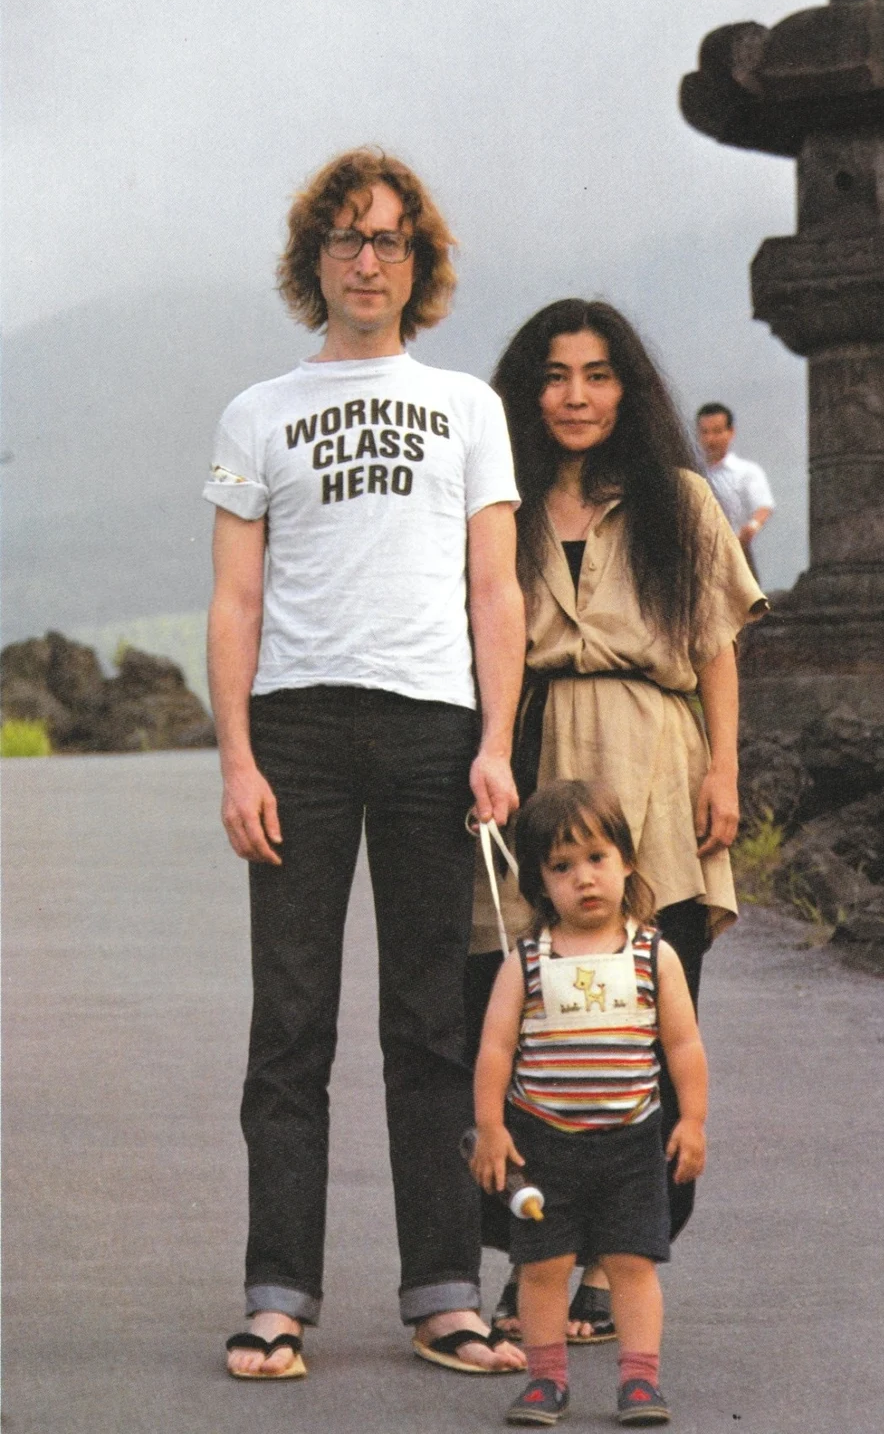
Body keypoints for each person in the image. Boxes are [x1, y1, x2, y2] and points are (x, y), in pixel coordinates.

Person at [205, 148, 527, 1378]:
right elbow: (235, 603)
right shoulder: (258, 411)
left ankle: (446, 1294)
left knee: (431, 1022)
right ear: (313, 261)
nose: (368, 259)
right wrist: (238, 759)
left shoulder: (468, 409)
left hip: (431, 732)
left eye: (390, 239)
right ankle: (278, 1296)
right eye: (346, 238)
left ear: (419, 263)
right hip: (296, 731)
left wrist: (496, 742)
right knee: (289, 1023)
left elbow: (494, 590)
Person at [470, 299, 765, 1342]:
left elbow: (718, 645)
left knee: (641, 1021)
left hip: (653, 764)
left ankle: (617, 1261)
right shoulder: (497, 503)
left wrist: (725, 769)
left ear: (626, 390)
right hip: (534, 756)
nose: (577, 396)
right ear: (528, 390)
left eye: (598, 375)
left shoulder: (678, 499)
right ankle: (536, 1259)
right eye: (556, 376)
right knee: (523, 1024)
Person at [471, 780, 708, 1427]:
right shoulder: (527, 960)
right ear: (539, 883)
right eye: (561, 866)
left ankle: (639, 1381)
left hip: (633, 1142)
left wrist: (692, 1120)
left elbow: (683, 1044)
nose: (584, 879)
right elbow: (494, 1049)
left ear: (627, 861)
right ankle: (546, 1380)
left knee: (631, 1263)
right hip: (543, 1141)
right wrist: (491, 1128)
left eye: (597, 858)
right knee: (542, 1269)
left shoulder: (653, 954)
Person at [696, 403, 774, 578]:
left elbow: (763, 506)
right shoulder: (692, 474)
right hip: (699, 559)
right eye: (705, 432)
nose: (710, 439)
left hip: (737, 553)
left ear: (731, 432)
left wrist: (751, 528)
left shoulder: (746, 471)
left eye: (717, 432)